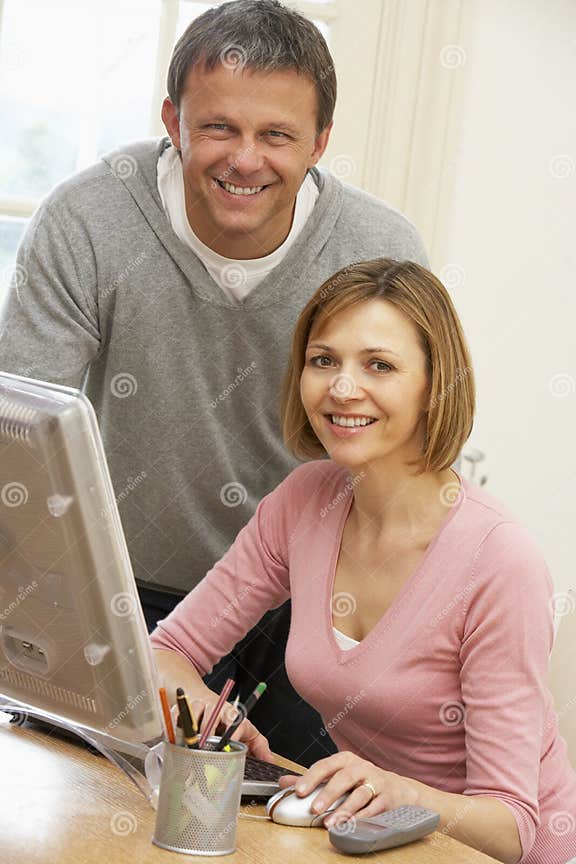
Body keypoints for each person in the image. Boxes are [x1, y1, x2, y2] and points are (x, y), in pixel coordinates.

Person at [0, 0, 427, 765]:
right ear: (173, 119)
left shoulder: (379, 249)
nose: (245, 159)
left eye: (277, 135)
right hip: (124, 592)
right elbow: (20, 445)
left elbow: (406, 457)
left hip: (310, 605)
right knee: (95, 815)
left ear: (321, 142)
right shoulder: (89, 220)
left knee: (311, 817)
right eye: (219, 128)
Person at [151, 258, 576, 864]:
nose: (342, 388)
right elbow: (167, 653)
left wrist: (399, 791)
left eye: (379, 365)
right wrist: (204, 718)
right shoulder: (303, 503)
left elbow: (513, 827)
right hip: (379, 843)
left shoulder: (499, 560)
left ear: (436, 385)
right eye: (324, 360)